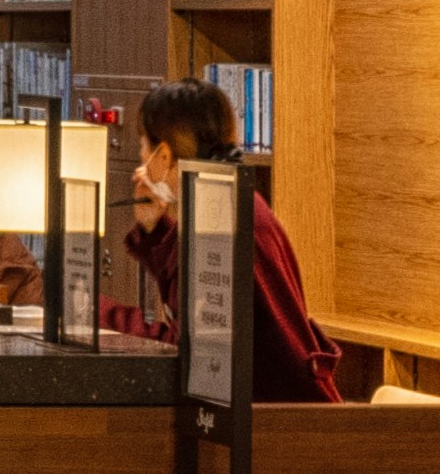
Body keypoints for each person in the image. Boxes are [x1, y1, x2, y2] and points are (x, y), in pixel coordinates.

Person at [121, 78, 345, 399]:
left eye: (143, 145)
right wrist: (154, 230)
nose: (142, 158)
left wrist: (102, 318)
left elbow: (188, 351)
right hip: (285, 402)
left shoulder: (215, 221)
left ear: (164, 154)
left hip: (277, 417)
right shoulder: (236, 199)